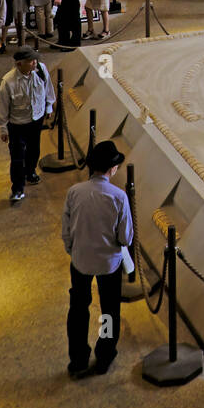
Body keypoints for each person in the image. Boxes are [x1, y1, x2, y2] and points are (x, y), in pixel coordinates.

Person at [61, 139, 133, 379]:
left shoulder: (74, 192)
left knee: (78, 309)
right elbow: (125, 237)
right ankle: (104, 353)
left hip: (80, 260)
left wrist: (73, 250)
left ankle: (78, 357)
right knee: (108, 311)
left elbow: (66, 229)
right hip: (108, 263)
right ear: (112, 169)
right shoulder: (119, 197)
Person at [0, 46, 55, 204]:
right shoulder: (8, 82)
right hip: (17, 125)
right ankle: (17, 188)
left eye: (35, 59)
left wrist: (49, 106)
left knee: (34, 149)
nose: (35, 63)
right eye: (30, 61)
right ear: (19, 64)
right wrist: (3, 129)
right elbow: (2, 108)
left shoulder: (41, 70)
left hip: (36, 120)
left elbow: (48, 88)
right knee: (17, 157)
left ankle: (30, 172)